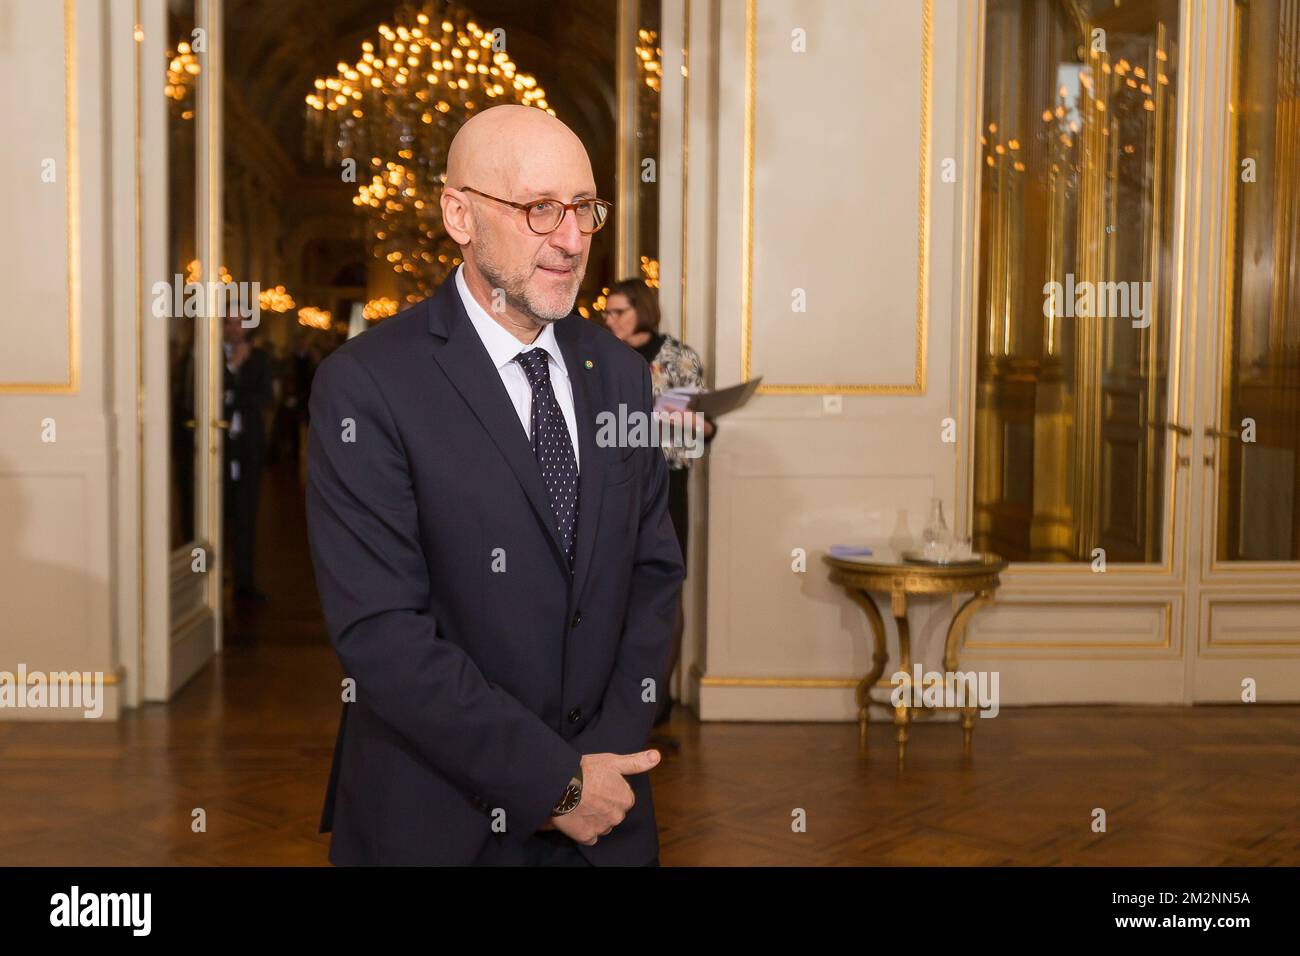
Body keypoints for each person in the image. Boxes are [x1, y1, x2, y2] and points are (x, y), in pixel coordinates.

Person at [305, 104, 685, 866]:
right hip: (436, 818)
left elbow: (654, 577)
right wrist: (554, 783)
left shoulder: (616, 372)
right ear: (460, 214)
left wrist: (599, 769)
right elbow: (383, 635)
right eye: (540, 209)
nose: (572, 239)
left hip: (606, 814)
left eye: (585, 210)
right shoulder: (366, 384)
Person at [602, 279, 714, 725]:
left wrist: (684, 420)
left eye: (619, 312)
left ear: (642, 311)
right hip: (613, 484)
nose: (609, 321)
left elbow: (702, 435)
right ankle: (614, 706)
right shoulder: (601, 355)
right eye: (607, 313)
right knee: (614, 589)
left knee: (665, 591)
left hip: (667, 484)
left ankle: (656, 707)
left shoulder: (680, 359)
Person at [222, 313, 274, 603]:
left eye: (240, 322)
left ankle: (245, 581)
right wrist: (232, 369)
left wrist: (233, 391)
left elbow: (264, 399)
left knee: (247, 516)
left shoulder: (260, 359)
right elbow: (207, 397)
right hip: (218, 448)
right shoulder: (210, 357)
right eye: (229, 321)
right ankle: (212, 577)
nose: (234, 327)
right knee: (217, 514)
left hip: (248, 447)